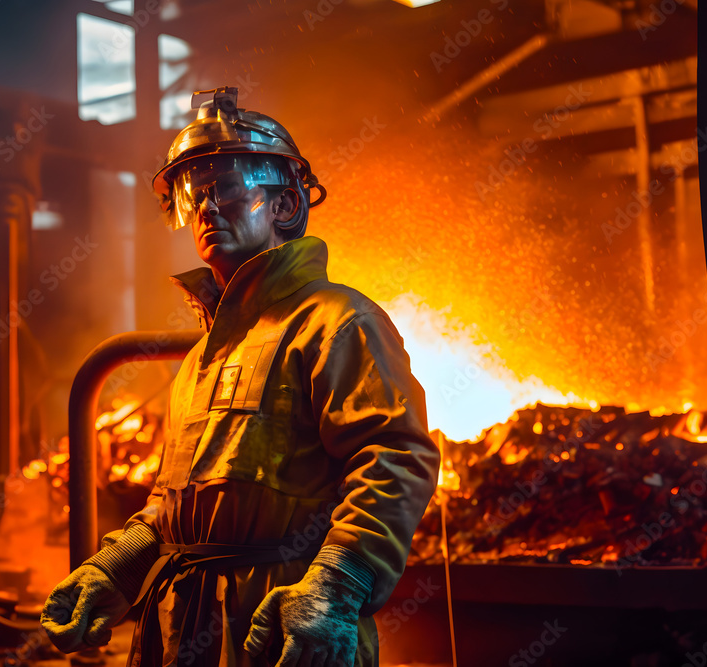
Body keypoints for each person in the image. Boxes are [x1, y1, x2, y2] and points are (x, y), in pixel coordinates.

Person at [41, 86, 440, 666]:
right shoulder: (206, 354)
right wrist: (116, 567)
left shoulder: (336, 321)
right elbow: (175, 500)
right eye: (194, 195)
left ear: (283, 205)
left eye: (226, 188)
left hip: (276, 624)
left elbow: (395, 458)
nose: (205, 208)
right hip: (181, 623)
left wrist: (336, 585)